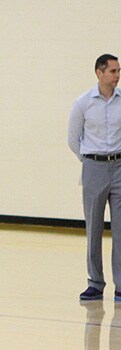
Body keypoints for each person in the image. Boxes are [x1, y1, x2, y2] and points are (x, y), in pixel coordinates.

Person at [69, 53, 121, 301]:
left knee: (120, 229)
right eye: (112, 71)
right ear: (99, 73)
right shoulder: (83, 103)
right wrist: (90, 161)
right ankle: (95, 282)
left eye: (118, 71)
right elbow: (73, 138)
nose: (117, 76)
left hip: (119, 167)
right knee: (94, 227)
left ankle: (120, 285)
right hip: (93, 167)